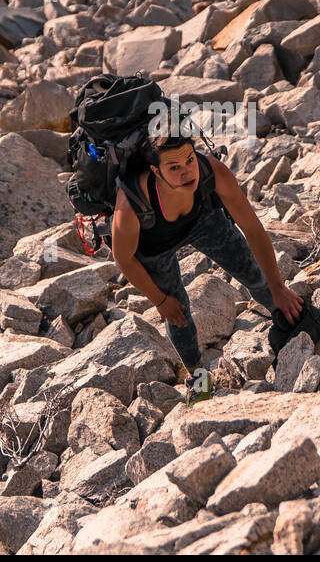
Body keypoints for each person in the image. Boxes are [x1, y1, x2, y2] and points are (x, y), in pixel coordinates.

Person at [109, 133, 303, 405]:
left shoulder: (212, 171)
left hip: (203, 220)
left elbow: (253, 229)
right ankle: (199, 380)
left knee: (256, 276)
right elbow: (124, 259)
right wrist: (160, 301)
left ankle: (294, 327)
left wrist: (279, 288)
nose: (187, 172)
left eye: (189, 160)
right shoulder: (132, 205)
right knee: (179, 315)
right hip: (154, 245)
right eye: (174, 167)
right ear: (155, 170)